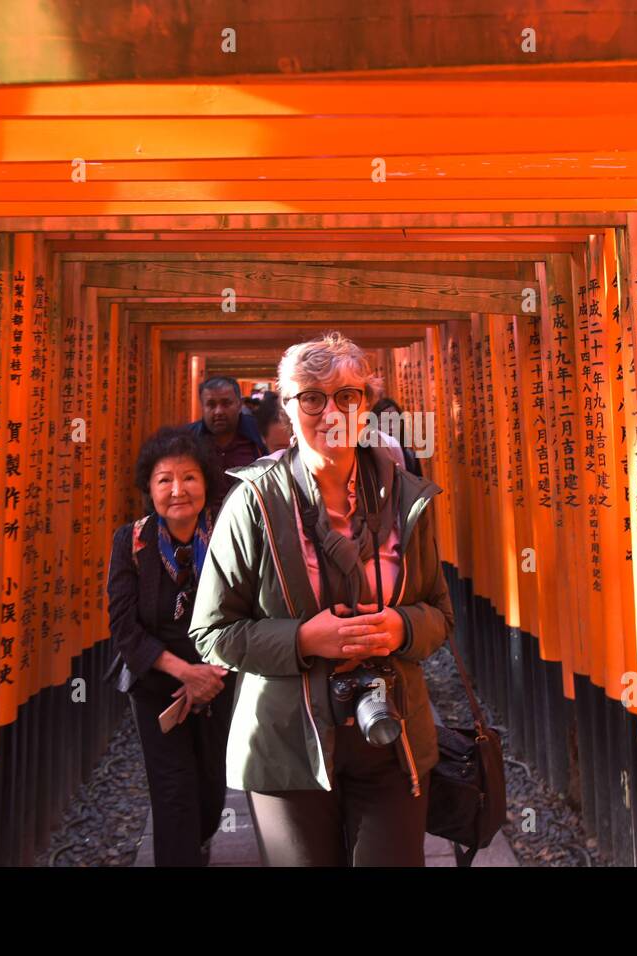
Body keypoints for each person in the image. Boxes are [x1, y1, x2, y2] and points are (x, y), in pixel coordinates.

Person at [189, 330, 454, 866]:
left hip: (391, 729)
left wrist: (403, 628)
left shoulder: (409, 500)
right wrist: (303, 639)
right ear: (287, 407)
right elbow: (211, 633)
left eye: (347, 395)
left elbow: (441, 613)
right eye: (311, 396)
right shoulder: (253, 503)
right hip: (287, 740)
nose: (330, 410)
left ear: (368, 404)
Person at [105, 427, 235, 866]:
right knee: (172, 790)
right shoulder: (133, 542)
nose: (177, 490)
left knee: (210, 790)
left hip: (218, 682)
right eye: (165, 480)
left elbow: (250, 607)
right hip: (157, 685)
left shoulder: (228, 534)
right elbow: (124, 626)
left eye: (189, 478)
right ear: (150, 488)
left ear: (206, 483)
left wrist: (210, 674)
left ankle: (198, 841)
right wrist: (185, 673)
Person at [186, 376, 270, 506]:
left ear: (239, 404)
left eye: (226, 404)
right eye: (211, 405)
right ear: (202, 407)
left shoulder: (260, 435)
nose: (218, 411)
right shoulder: (187, 440)